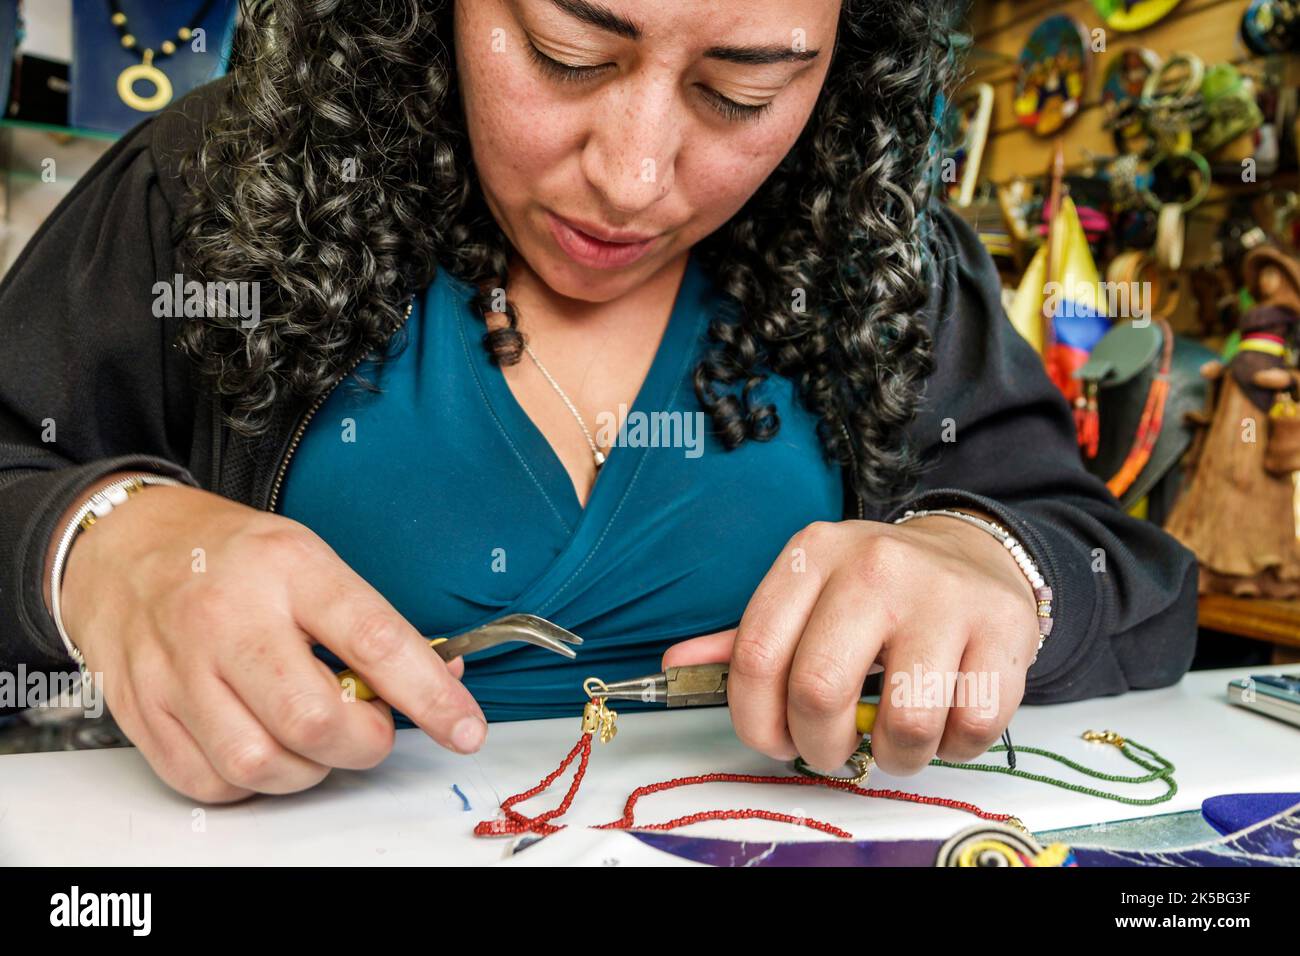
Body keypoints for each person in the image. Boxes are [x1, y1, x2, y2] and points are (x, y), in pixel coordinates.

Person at [0, 0, 1198, 804]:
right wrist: (98, 544)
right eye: (568, 54)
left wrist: (994, 565)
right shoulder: (211, 185)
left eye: (740, 91)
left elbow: (1126, 577)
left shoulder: (884, 254)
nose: (630, 176)